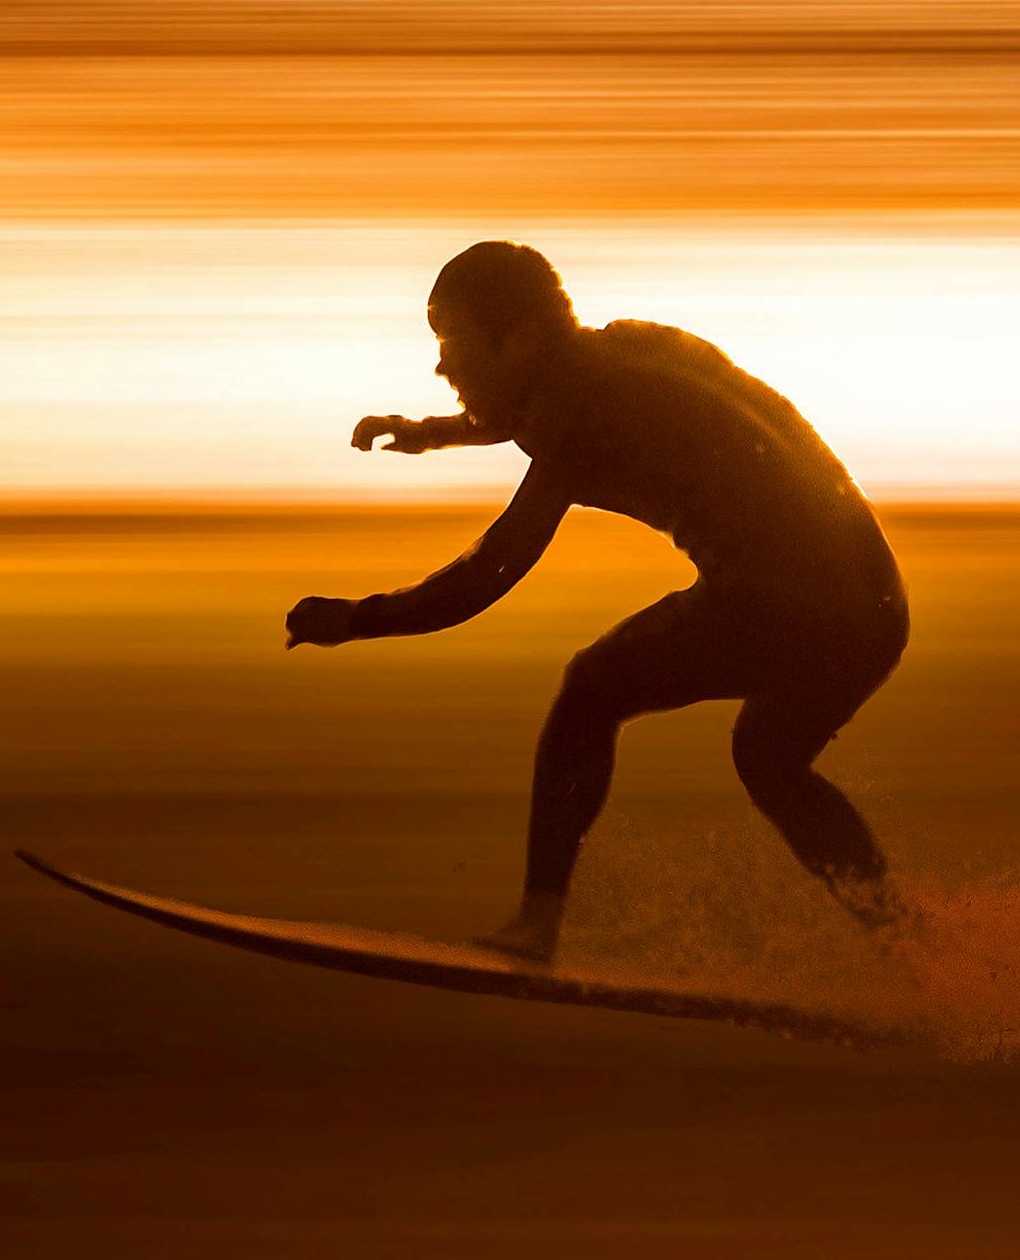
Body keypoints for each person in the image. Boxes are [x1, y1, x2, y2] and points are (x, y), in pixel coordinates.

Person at [284, 242, 907, 964]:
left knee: (591, 688)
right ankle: (906, 942)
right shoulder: (624, 352)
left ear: (515, 338)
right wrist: (433, 434)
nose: (441, 366)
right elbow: (528, 404)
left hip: (793, 603)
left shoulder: (580, 418)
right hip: (874, 608)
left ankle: (535, 926)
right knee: (768, 758)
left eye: (451, 342)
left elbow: (487, 572)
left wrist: (360, 619)